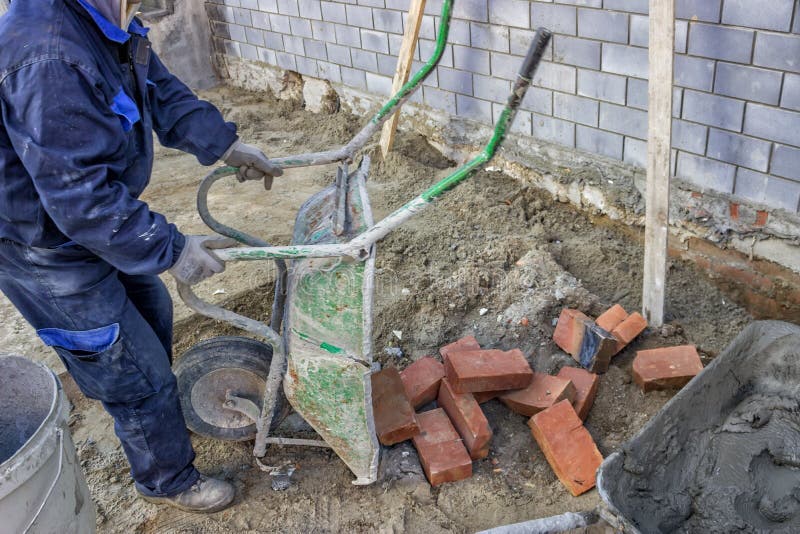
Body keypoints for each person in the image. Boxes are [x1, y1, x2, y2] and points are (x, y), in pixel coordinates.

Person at [0, 0, 281, 513]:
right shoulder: (49, 58)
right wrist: (171, 248)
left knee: (152, 316)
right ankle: (167, 481)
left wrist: (225, 145)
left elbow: (158, 90)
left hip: (94, 222)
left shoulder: (106, 22)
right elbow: (80, 201)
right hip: (44, 245)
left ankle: (149, 414)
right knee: (131, 367)